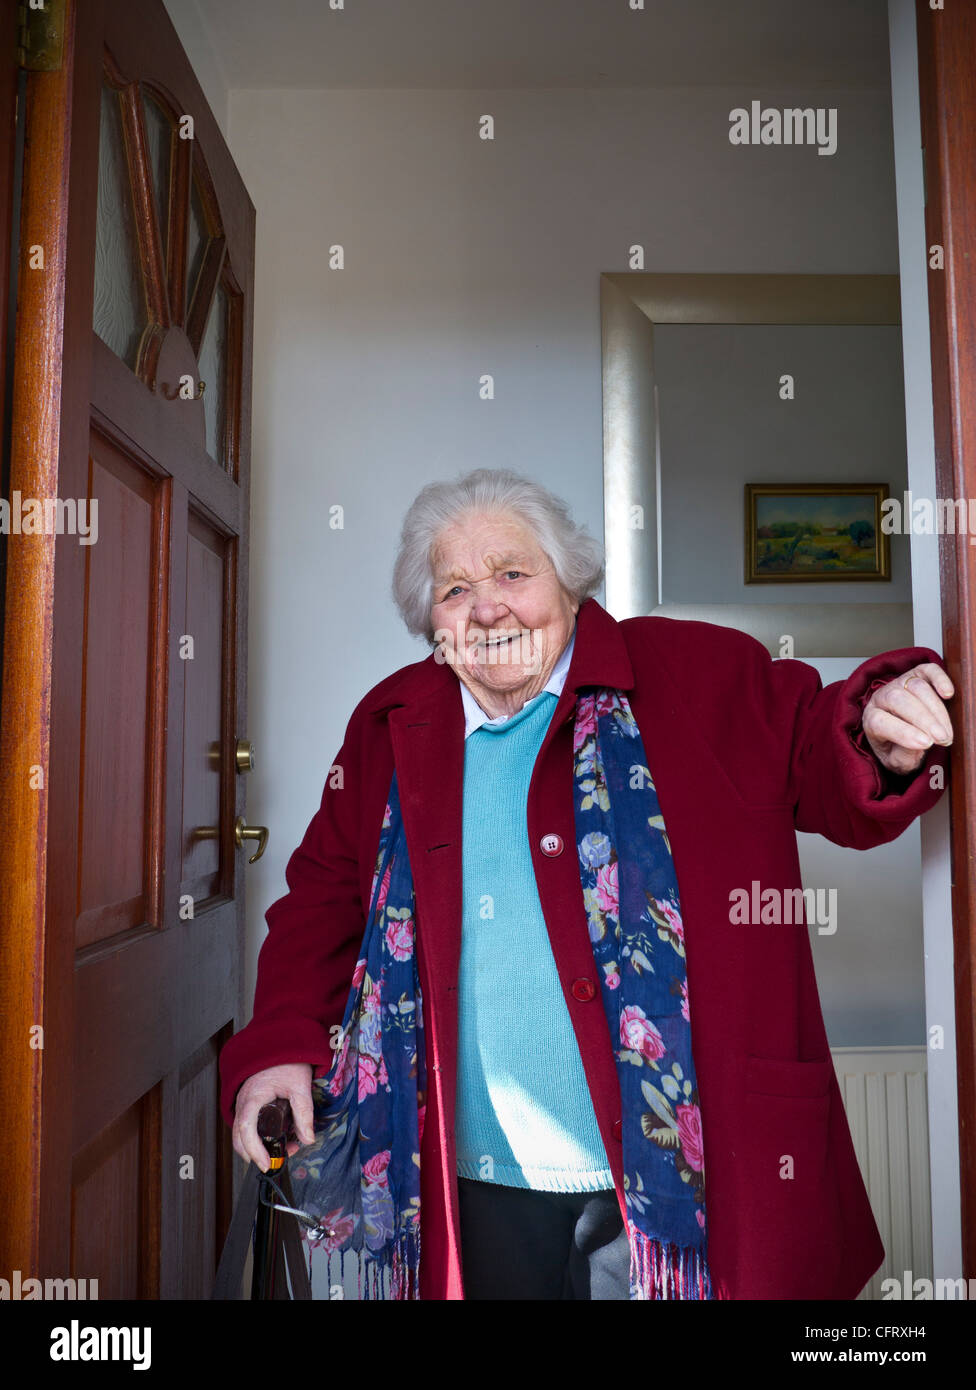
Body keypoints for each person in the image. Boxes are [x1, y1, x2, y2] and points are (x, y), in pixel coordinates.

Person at [219, 468, 954, 1300]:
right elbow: (322, 899)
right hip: (469, 1182)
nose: (487, 606)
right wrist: (278, 1047)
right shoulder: (391, 724)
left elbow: (818, 749)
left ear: (569, 583)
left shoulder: (695, 672)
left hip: (684, 1171)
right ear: (431, 621)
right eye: (455, 587)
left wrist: (880, 726)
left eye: (512, 573)